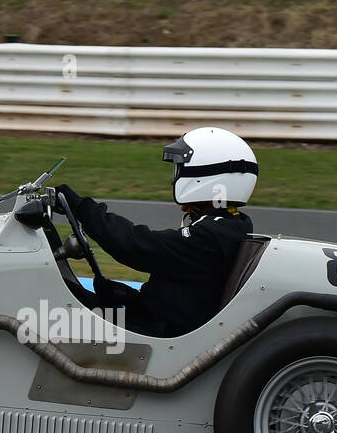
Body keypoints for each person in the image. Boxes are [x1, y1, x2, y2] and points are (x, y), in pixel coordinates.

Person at [56, 127, 257, 337]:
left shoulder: (211, 236)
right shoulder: (231, 225)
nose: (174, 178)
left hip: (159, 334)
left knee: (49, 313)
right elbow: (186, 288)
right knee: (70, 297)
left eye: (181, 169)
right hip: (155, 321)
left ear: (206, 176)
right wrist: (132, 298)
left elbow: (136, 246)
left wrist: (81, 207)